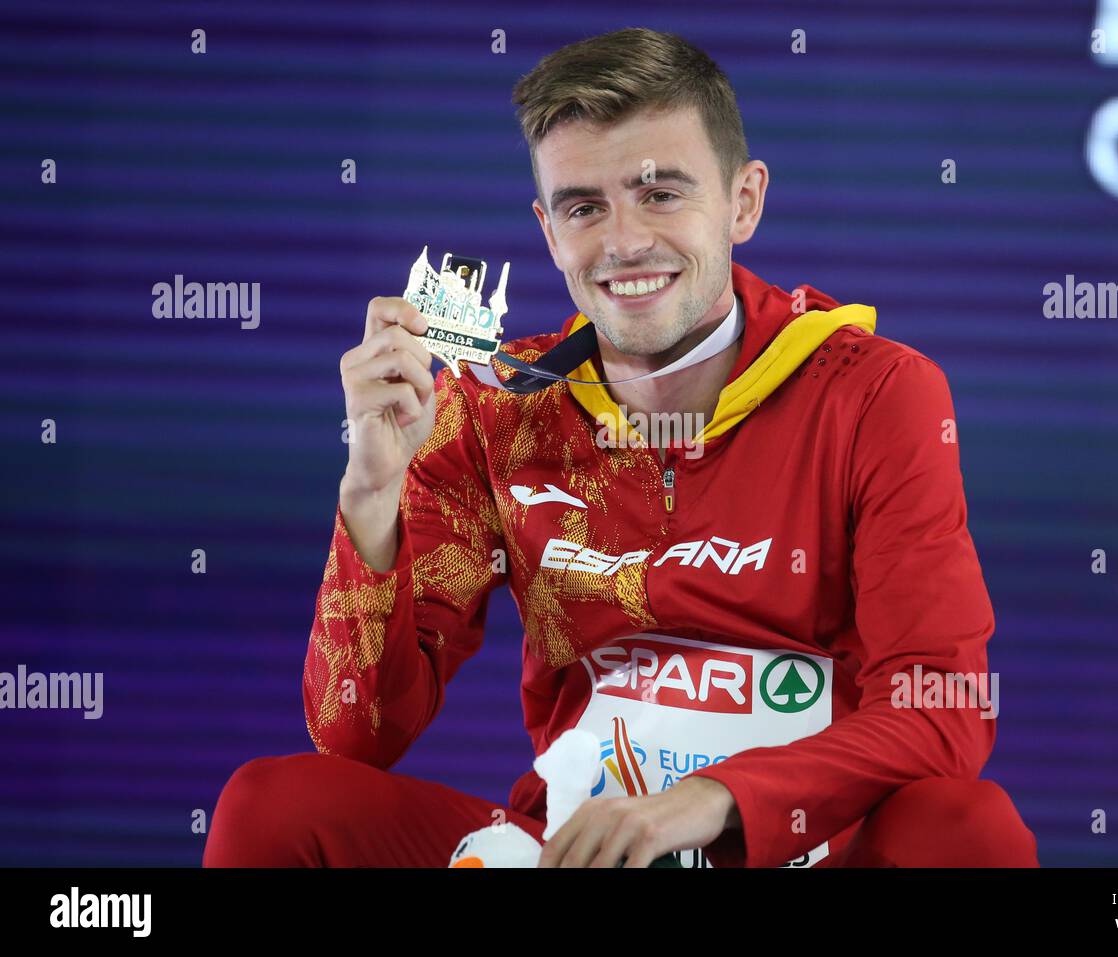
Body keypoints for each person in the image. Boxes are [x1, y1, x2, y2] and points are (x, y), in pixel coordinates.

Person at [203, 26, 1038, 869]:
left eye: (661, 194)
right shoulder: (491, 408)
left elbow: (942, 705)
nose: (623, 243)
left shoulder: (876, 391)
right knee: (274, 808)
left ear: (744, 202)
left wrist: (711, 800)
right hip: (574, 849)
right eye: (584, 208)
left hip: (811, 846)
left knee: (967, 829)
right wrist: (371, 495)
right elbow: (358, 736)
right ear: (548, 229)